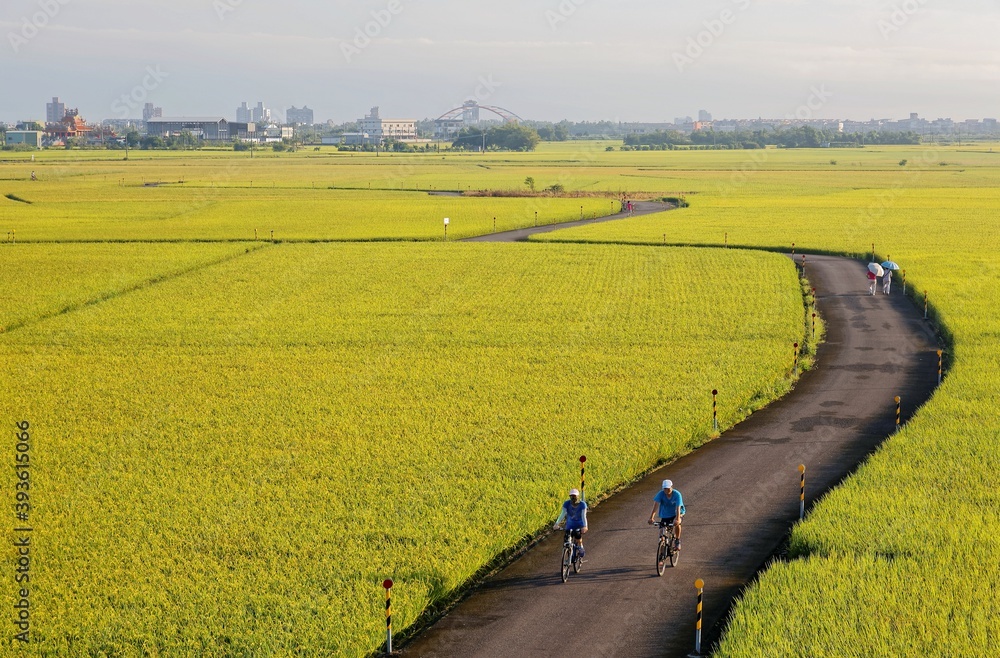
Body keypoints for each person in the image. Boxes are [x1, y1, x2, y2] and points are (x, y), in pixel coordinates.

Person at [648, 479, 684, 550]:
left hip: (676, 513)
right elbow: (655, 506)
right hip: (666, 514)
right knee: (661, 535)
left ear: (672, 487)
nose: (666, 491)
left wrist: (677, 519)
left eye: (668, 489)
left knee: (678, 523)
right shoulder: (660, 494)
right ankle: (661, 557)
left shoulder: (677, 494)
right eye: (665, 489)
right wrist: (651, 518)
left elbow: (678, 508)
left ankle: (677, 540)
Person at [553, 488, 588, 558]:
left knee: (578, 535)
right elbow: (562, 514)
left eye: (574, 496)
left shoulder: (582, 504)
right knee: (567, 539)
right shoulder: (567, 503)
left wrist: (585, 526)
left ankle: (581, 547)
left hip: (579, 524)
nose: (573, 498)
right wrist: (557, 524)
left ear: (578, 496)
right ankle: (568, 552)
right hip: (570, 524)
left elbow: (584, 516)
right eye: (571, 496)